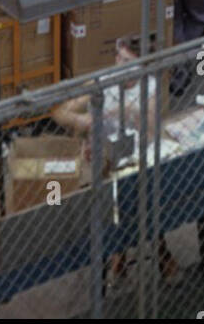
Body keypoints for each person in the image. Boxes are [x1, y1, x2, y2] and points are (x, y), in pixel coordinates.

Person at [51, 38, 177, 279]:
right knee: (112, 194)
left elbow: (149, 128)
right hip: (100, 159)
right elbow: (59, 111)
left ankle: (145, 250)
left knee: (139, 196)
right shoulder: (102, 81)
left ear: (141, 67)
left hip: (135, 159)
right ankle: (122, 250)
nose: (118, 64)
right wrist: (81, 121)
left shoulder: (149, 88)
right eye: (118, 57)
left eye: (127, 61)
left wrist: (120, 111)